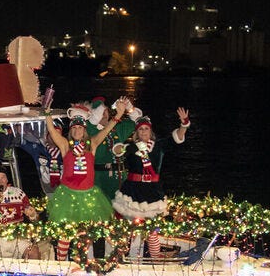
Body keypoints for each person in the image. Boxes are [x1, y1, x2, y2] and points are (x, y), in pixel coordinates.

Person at [43, 97, 127, 261]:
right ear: (71, 130)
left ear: (84, 129)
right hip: (68, 195)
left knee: (92, 232)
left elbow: (107, 129)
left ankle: (96, 263)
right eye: (74, 128)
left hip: (89, 196)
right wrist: (47, 113)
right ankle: (61, 265)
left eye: (80, 128)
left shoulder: (92, 144)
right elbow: (52, 131)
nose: (77, 131)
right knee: (66, 234)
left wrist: (119, 114)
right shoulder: (65, 145)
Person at [112, 108, 191, 257]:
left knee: (151, 229)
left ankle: (155, 257)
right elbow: (117, 151)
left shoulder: (159, 146)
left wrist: (184, 124)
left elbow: (177, 137)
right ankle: (120, 257)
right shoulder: (131, 147)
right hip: (133, 190)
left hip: (152, 191)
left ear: (150, 131)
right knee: (129, 227)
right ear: (136, 132)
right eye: (140, 129)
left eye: (146, 129)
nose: (143, 132)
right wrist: (122, 146)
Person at [0, 163, 40, 259]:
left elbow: (35, 219)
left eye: (3, 177)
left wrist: (32, 214)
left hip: (17, 237)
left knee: (34, 252)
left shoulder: (18, 193)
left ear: (7, 180)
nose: (0, 181)